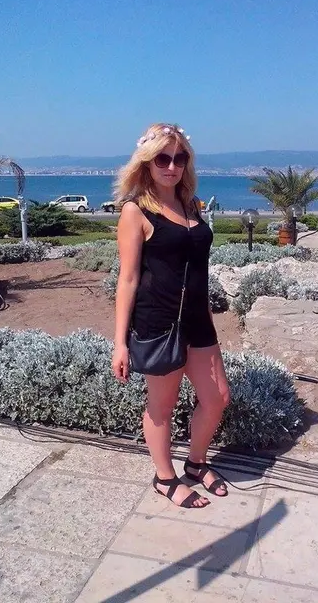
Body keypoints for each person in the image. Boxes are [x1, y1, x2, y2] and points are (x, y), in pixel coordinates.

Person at [112, 123, 230, 509]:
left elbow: (196, 267)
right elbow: (128, 279)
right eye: (163, 158)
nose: (171, 166)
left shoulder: (190, 204)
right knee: (162, 407)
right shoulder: (136, 211)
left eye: (180, 159)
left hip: (198, 320)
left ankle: (195, 464)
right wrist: (120, 343)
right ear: (147, 161)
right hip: (158, 323)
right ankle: (165, 478)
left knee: (217, 397)